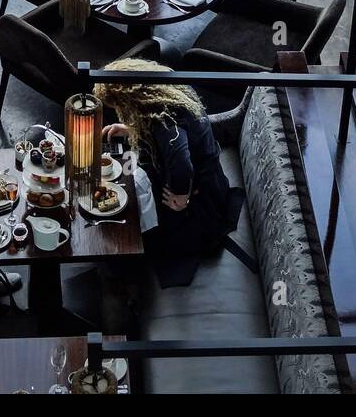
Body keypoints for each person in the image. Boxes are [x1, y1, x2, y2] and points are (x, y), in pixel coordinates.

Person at [94, 57, 244, 287]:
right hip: (208, 174)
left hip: (200, 196)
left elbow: (182, 164)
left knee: (128, 212)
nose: (121, 111)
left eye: (122, 107)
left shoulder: (165, 122)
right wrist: (131, 128)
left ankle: (117, 265)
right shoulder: (168, 89)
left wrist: (180, 197)